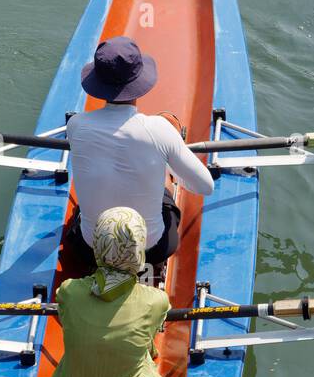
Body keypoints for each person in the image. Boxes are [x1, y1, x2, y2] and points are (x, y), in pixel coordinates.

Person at [66, 35, 215, 269]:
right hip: (151, 250)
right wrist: (166, 174)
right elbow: (205, 187)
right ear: (139, 81)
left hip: (90, 249)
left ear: (97, 80)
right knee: (164, 185)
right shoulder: (159, 129)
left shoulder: (75, 125)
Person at [50, 207, 171, 377]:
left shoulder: (69, 291)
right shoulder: (156, 301)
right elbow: (150, 340)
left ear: (97, 246)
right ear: (139, 251)